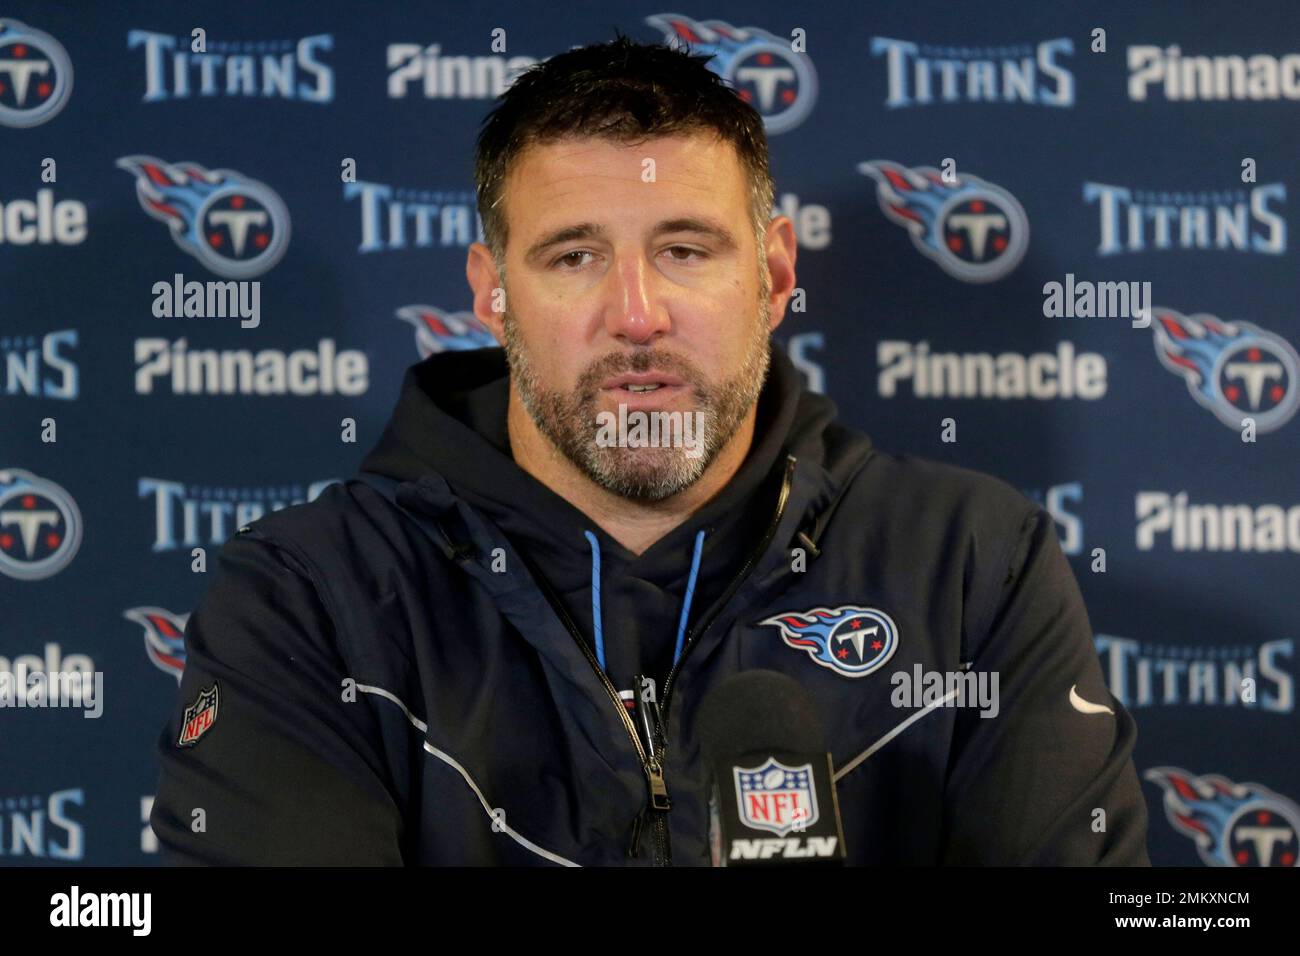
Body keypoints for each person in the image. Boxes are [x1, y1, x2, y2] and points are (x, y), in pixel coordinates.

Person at [150, 35, 1150, 865]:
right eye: (574, 255)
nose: (636, 314)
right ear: (491, 292)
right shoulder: (308, 595)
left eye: (684, 249)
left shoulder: (972, 563)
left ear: (772, 273)